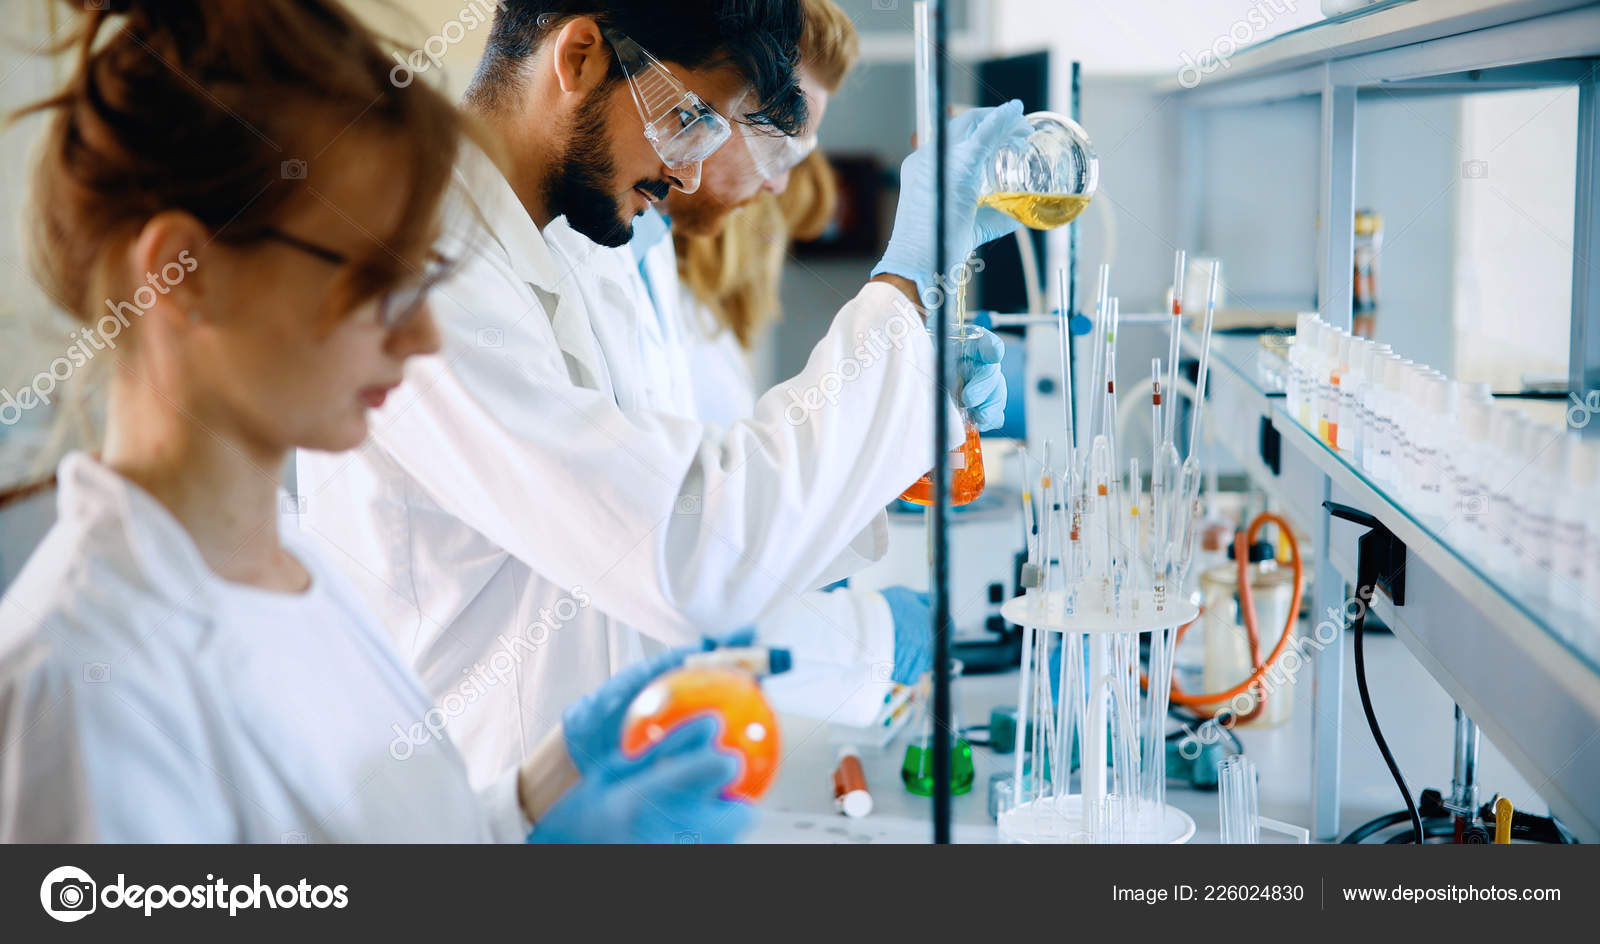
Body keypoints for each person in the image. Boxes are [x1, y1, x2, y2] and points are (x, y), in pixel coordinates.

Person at [0, 0, 750, 844]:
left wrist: (534, 804)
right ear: (186, 276)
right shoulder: (86, 683)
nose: (423, 334)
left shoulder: (297, 572)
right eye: (373, 279)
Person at [297, 0, 1033, 785]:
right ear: (579, 56)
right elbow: (685, 549)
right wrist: (902, 297)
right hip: (473, 799)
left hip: (590, 788)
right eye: (689, 120)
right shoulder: (429, 274)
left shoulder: (579, 249)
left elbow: (691, 492)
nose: (687, 172)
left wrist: (902, 419)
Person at [551, 0, 942, 711]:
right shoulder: (564, 253)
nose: (778, 186)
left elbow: (716, 523)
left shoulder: (643, 252)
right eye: (778, 147)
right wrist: (870, 638)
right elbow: (685, 555)